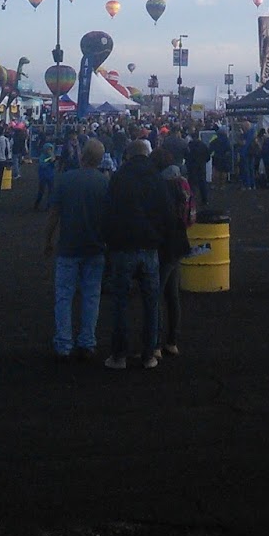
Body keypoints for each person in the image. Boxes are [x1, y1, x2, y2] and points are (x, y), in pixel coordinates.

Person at [102, 140, 176, 370]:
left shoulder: (119, 177)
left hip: (123, 247)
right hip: (150, 247)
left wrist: (109, 241)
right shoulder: (157, 178)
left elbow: (108, 211)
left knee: (120, 302)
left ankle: (119, 356)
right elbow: (167, 213)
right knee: (151, 302)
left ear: (128, 155)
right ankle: (149, 355)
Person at [43, 138, 109, 361]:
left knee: (64, 296)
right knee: (91, 296)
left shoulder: (66, 179)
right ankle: (87, 341)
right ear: (100, 159)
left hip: (69, 246)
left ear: (82, 155)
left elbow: (54, 214)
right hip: (95, 247)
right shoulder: (104, 182)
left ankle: (64, 342)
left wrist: (47, 240)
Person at [152, 145, 193, 359]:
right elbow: (190, 215)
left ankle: (156, 343)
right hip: (179, 240)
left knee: (156, 293)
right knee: (172, 294)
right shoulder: (183, 184)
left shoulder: (159, 186)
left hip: (163, 242)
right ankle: (172, 341)